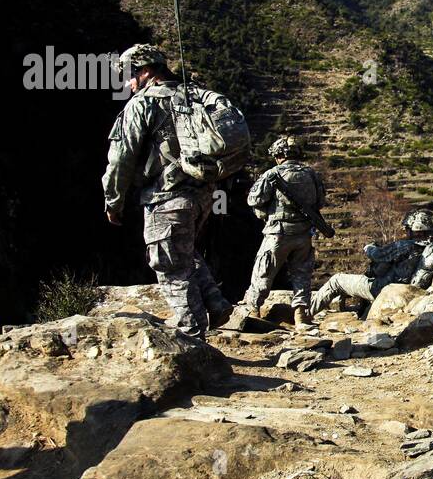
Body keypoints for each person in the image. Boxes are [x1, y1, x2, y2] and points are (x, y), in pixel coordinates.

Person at [102, 43, 233, 338]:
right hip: (203, 195)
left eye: (130, 75)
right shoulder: (193, 96)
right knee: (182, 250)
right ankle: (215, 301)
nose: (128, 83)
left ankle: (191, 335)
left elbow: (121, 158)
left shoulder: (142, 104)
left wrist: (114, 201)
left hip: (167, 196)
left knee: (170, 266)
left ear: (146, 71)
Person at [239, 135, 330, 328]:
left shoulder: (273, 174)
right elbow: (320, 202)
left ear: (279, 155)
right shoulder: (311, 174)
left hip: (278, 233)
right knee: (302, 274)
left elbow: (253, 199)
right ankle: (301, 315)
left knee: (263, 272)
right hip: (304, 234)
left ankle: (253, 310)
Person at [310, 210, 433, 317]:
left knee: (336, 280)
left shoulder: (403, 246)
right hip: (410, 294)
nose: (405, 231)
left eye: (407, 228)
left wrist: (368, 247)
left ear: (412, 228)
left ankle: (305, 314)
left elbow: (377, 255)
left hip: (382, 289)